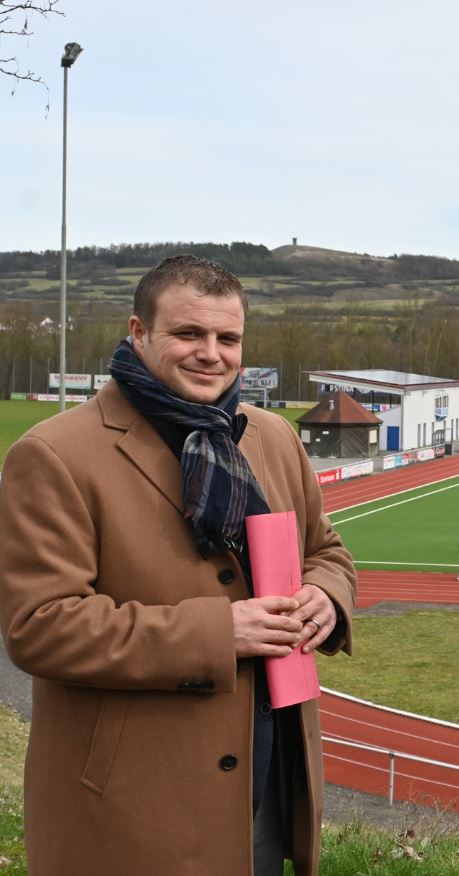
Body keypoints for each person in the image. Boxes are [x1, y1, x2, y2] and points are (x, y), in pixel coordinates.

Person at [0, 255, 357, 876]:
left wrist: (326, 594)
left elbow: (325, 551)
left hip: (270, 776)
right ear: (138, 333)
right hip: (135, 805)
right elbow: (41, 625)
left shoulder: (271, 436)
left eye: (228, 339)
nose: (211, 354)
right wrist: (221, 632)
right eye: (188, 334)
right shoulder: (54, 455)